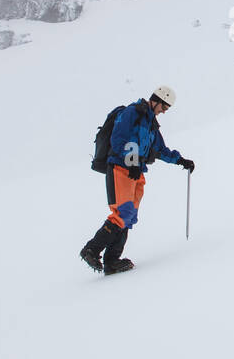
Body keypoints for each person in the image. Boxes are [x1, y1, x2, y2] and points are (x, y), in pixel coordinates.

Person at [80, 85, 194, 274]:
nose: (164, 112)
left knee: (129, 216)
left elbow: (160, 149)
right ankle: (91, 249)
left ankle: (112, 261)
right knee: (122, 213)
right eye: (164, 107)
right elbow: (119, 138)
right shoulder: (132, 113)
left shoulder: (151, 124)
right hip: (120, 168)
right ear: (156, 100)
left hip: (136, 171)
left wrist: (180, 160)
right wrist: (131, 162)